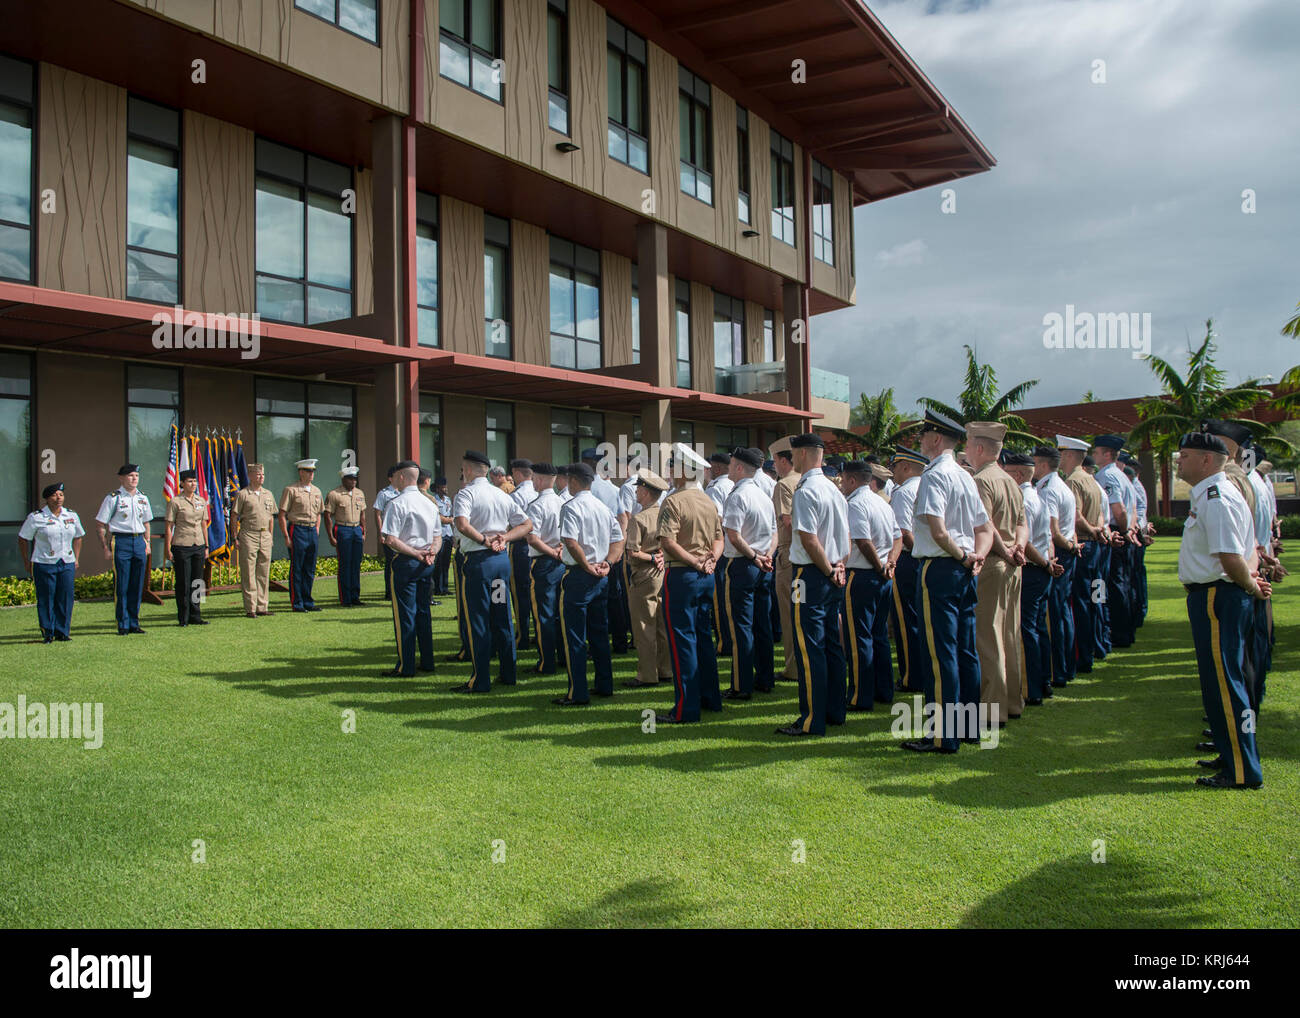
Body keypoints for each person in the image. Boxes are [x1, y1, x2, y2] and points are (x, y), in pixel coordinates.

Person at [1176, 430, 1267, 789]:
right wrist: (1252, 578)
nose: (1179, 461)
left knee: (1226, 685)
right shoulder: (1211, 495)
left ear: (1207, 461)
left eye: (1185, 456)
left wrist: (1249, 584)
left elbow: (1231, 557)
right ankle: (1231, 756)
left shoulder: (1216, 497)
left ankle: (1242, 771)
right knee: (1221, 684)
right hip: (1217, 595)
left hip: (1219, 597)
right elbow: (1251, 551)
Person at [902, 411, 993, 753]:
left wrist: (963, 555)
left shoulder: (935, 475)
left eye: (924, 434)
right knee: (965, 650)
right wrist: (976, 556)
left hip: (941, 567)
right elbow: (984, 529)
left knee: (941, 655)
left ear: (936, 438)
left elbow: (938, 530)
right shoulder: (965, 477)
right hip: (963, 568)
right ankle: (968, 728)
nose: (921, 440)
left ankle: (942, 735)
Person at [776, 432, 850, 737]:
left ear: (804, 454)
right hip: (832, 572)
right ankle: (834, 711)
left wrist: (829, 568)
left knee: (809, 645)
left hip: (809, 574)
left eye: (794, 454)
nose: (792, 459)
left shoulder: (805, 491)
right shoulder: (834, 490)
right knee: (832, 645)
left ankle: (811, 719)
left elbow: (808, 538)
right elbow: (843, 536)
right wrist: (839, 565)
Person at [654, 443, 725, 724]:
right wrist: (711, 561)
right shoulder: (709, 500)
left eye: (673, 467)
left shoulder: (673, 501)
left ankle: (686, 708)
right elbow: (720, 538)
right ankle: (710, 699)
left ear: (683, 470)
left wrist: (696, 562)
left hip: (683, 575)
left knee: (682, 640)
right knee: (703, 637)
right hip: (706, 575)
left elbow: (667, 542)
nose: (670, 472)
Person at [451, 450, 531, 693]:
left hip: (479, 561)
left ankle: (480, 679)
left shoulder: (466, 493)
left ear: (468, 470)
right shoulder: (501, 494)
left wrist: (484, 540)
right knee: (501, 616)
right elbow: (527, 524)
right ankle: (508, 673)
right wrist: (505, 537)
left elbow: (462, 524)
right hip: (499, 561)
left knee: (478, 619)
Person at [967, 423, 1027, 722]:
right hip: (1012, 564)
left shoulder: (981, 480)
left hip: (992, 562)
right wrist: (1018, 548)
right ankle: (1012, 701)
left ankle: (993, 709)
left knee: (987, 636)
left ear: (979, 448)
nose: (965, 450)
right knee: (1010, 633)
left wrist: (1005, 551)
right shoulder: (1010, 481)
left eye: (968, 444)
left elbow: (985, 524)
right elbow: (1021, 523)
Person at [554, 462, 625, 705]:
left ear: (573, 481)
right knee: (599, 633)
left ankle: (578, 691)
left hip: (580, 574)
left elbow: (571, 542)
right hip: (600, 575)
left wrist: (587, 565)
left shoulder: (571, 506)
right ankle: (604, 684)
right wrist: (608, 563)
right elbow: (619, 539)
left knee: (574, 635)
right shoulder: (602, 507)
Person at [841, 460, 901, 711]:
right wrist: (891, 563)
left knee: (858, 638)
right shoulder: (881, 502)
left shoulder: (856, 503)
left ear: (853, 480)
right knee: (878, 636)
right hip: (883, 575)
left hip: (864, 574)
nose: (842, 484)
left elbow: (863, 542)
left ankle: (860, 696)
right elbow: (897, 537)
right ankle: (883, 690)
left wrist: (881, 566)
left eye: (844, 480)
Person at [719, 447, 777, 700]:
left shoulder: (738, 495)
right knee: (762, 623)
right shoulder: (763, 494)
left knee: (740, 626)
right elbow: (774, 532)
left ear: (740, 467)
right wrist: (766, 557)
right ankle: (765, 677)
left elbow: (733, 535)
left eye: (732, 464)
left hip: (744, 564)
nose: (728, 468)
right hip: (763, 564)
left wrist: (755, 557)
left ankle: (741, 684)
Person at [1006, 453, 1061, 706]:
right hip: (1041, 568)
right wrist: (1048, 561)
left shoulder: (1023, 499)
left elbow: (1023, 542)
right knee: (1038, 627)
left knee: (1027, 629)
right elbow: (1049, 535)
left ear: (1017, 475)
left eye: (1008, 472)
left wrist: (1045, 563)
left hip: (1033, 568)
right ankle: (1043, 681)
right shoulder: (1037, 496)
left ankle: (1031, 688)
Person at [380, 462, 440, 677]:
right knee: (423, 612)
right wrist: (431, 552)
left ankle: (406, 665)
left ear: (403, 478)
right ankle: (427, 660)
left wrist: (415, 553)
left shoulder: (397, 503)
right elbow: (437, 536)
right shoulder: (429, 503)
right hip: (426, 562)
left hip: (408, 561)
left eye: (395, 476)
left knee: (405, 614)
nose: (393, 480)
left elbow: (391, 539)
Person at [623, 467, 673, 688]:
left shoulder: (638, 519)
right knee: (662, 624)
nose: (635, 493)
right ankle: (665, 669)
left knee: (644, 627)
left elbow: (632, 552)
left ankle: (647, 674)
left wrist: (651, 557)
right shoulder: (666, 513)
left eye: (638, 489)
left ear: (645, 491)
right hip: (664, 573)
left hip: (644, 575)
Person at [1033, 444, 1078, 689]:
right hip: (1067, 550)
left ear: (1042, 464)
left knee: (1052, 616)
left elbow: (1053, 530)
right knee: (1062, 613)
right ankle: (1065, 666)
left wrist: (1065, 549)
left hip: (1057, 553)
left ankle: (1055, 670)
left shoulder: (1048, 490)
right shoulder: (1061, 485)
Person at [1061, 437, 1107, 672]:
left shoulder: (1073, 481)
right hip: (1095, 546)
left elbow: (1076, 515)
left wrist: (1090, 531)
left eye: (1062, 453)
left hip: (1084, 545)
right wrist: (1098, 530)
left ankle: (1082, 656)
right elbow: (1098, 513)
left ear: (1069, 455)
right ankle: (1094, 647)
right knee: (1093, 599)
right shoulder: (1091, 479)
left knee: (1078, 603)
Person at [18, 482, 83, 642]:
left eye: (61, 494)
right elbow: (23, 538)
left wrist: (76, 557)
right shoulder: (37, 517)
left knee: (66, 597)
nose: (58, 498)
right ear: (47, 499)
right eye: (54, 495)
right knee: (47, 598)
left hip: (66, 561)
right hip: (44, 562)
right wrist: (27, 561)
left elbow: (78, 536)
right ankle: (48, 631)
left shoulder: (71, 515)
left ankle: (62, 631)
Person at [95, 464, 153, 635]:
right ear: (121, 478)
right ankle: (123, 623)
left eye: (136, 475)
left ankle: (134, 622)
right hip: (121, 541)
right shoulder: (113, 498)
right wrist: (105, 547)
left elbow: (147, 523)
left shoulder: (143, 498)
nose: (134, 478)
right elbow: (100, 524)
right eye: (130, 476)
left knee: (137, 584)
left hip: (139, 541)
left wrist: (148, 543)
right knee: (122, 584)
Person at [582, 447, 630, 655]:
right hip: (611, 550)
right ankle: (619, 642)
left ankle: (595, 645)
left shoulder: (586, 487)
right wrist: (618, 548)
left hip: (591, 550)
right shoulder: (613, 489)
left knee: (591, 600)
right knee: (613, 597)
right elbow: (623, 520)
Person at [888, 447, 928, 693]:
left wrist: (917, 554)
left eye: (895, 466)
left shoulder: (904, 492)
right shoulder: (925, 486)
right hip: (923, 559)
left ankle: (911, 676)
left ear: (905, 466)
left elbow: (904, 532)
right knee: (920, 621)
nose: (893, 472)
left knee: (907, 622)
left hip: (909, 559)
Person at [1091, 435, 1135, 650]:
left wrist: (1124, 532)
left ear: (1107, 454)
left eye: (1096, 452)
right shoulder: (1121, 475)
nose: (1093, 455)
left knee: (1113, 584)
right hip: (1123, 531)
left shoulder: (1107, 476)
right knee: (1122, 582)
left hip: (1115, 531)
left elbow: (1119, 509)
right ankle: (1125, 629)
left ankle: (1118, 632)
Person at [524, 462, 565, 675]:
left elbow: (532, 538)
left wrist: (551, 552)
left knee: (544, 614)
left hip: (544, 561)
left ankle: (546, 662)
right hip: (562, 560)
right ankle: (562, 657)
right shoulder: (562, 502)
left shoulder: (536, 505)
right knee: (559, 612)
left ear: (539, 480)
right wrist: (560, 550)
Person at [770, 441, 802, 683]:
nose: (774, 466)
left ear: (783, 460)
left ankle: (793, 667)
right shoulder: (807, 480)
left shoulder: (784, 485)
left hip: (790, 555)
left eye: (775, 460)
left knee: (790, 614)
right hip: (810, 556)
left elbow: (787, 521)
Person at [164, 468, 210, 626]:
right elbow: (169, 526)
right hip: (182, 545)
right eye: (190, 481)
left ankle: (196, 615)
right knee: (183, 582)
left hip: (198, 544)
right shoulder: (175, 502)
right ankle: (183, 617)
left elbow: (204, 524)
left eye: (195, 481)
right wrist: (167, 548)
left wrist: (206, 546)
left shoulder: (201, 500)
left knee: (198, 581)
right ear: (182, 484)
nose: (193, 484)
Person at [231, 463, 277, 618]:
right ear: (250, 476)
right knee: (249, 572)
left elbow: (271, 517)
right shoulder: (243, 494)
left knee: (263, 572)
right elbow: (234, 516)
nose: (261, 477)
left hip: (265, 535)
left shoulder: (268, 494)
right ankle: (250, 608)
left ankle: (262, 606)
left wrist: (271, 535)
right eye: (258, 474)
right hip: (248, 534)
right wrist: (234, 536)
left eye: (262, 474)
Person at [279, 458, 324, 613]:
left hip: (311, 530)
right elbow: (282, 514)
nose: (312, 474)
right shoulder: (291, 489)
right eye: (308, 471)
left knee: (309, 568)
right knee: (297, 568)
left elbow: (319, 513)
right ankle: (297, 602)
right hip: (297, 529)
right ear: (301, 472)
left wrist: (317, 528)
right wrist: (286, 536)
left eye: (313, 471)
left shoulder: (317, 491)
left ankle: (308, 600)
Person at [705, 452, 736, 657]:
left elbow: (716, 523)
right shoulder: (733, 485)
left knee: (720, 602)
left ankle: (724, 643)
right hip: (733, 549)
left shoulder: (715, 489)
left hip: (722, 549)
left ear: (716, 469)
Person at [325, 466, 367, 607]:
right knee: (345, 564)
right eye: (350, 479)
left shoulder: (359, 493)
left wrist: (364, 531)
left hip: (356, 529)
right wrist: (331, 535)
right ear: (344, 479)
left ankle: (355, 596)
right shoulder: (334, 494)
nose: (353, 481)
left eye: (355, 479)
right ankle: (346, 598)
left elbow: (363, 514)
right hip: (342, 528)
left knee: (356, 564)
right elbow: (327, 516)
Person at [508, 459, 536, 651]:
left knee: (519, 592)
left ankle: (523, 634)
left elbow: (511, 523)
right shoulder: (537, 492)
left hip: (521, 545)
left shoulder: (516, 495)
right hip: (540, 547)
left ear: (517, 474)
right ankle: (536, 632)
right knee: (535, 592)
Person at [373, 466, 400, 601]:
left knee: (399, 563)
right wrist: (381, 533)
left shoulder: (403, 493)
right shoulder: (384, 494)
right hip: (388, 532)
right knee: (390, 562)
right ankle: (389, 592)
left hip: (400, 534)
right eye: (396, 475)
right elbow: (378, 514)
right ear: (390, 478)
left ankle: (398, 589)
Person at [430, 477, 454, 597]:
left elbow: (451, 514)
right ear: (438, 488)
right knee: (438, 563)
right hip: (439, 534)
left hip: (448, 533)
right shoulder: (434, 500)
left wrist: (450, 520)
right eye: (443, 487)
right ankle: (438, 588)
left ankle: (444, 587)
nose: (446, 489)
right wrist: (449, 520)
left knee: (446, 563)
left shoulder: (448, 500)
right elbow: (438, 517)